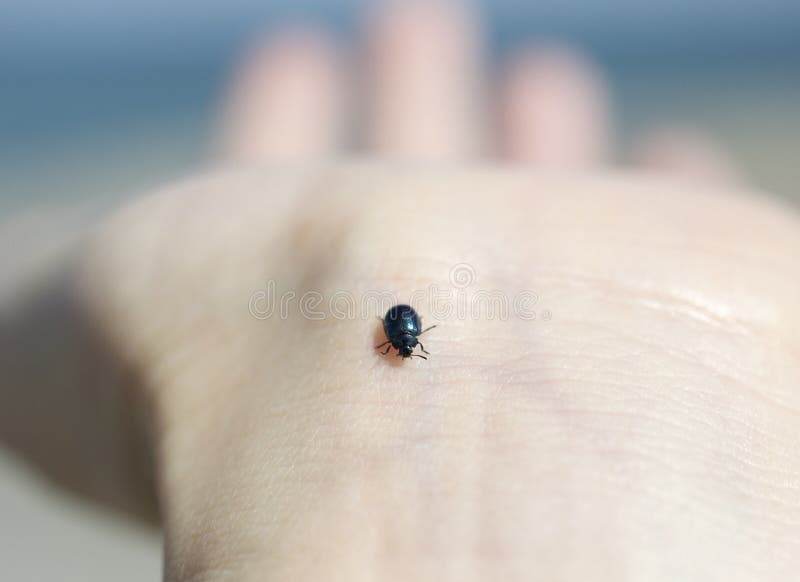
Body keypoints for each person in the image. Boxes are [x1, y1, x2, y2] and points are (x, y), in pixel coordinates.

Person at [1, 1, 797, 580]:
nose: (402, 348)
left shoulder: (400, 333)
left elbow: (396, 326)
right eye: (403, 344)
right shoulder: (399, 332)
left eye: (403, 345)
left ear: (405, 341)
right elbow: (395, 325)